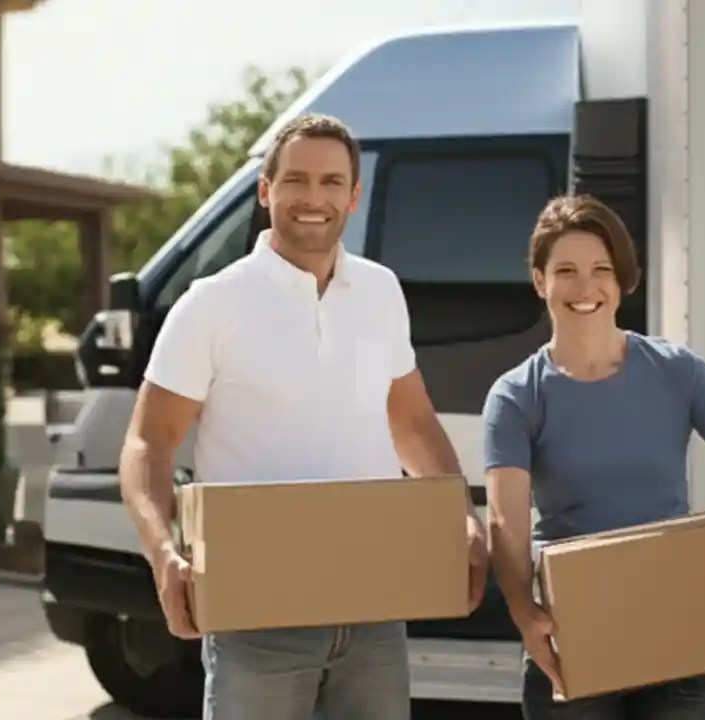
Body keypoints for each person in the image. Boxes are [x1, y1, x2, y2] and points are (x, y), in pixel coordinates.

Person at [119, 113, 489, 720]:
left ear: (354, 195)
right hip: (255, 614)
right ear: (265, 190)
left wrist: (462, 520)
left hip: (375, 605)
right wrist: (164, 556)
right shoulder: (212, 302)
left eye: (331, 182)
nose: (313, 198)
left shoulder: (380, 292)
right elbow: (147, 443)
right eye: (296, 180)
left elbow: (414, 424)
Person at [484, 194, 705, 720]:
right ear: (540, 281)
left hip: (682, 632)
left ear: (621, 279)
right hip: (573, 635)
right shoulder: (517, 396)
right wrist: (523, 612)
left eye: (600, 270)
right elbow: (506, 524)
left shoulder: (676, 371)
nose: (585, 288)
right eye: (566, 270)